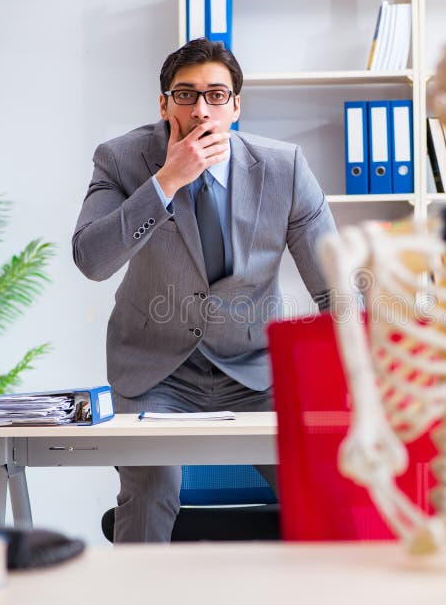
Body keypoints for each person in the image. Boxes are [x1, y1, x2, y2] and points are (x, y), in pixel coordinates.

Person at [72, 38, 336, 542]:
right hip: (155, 370)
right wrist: (167, 182)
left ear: (236, 106)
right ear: (163, 104)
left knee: (322, 489)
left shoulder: (285, 168)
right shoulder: (121, 159)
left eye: (217, 94)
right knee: (151, 488)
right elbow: (91, 260)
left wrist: (353, 384)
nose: (200, 109)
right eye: (185, 94)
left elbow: (336, 291)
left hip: (257, 370)